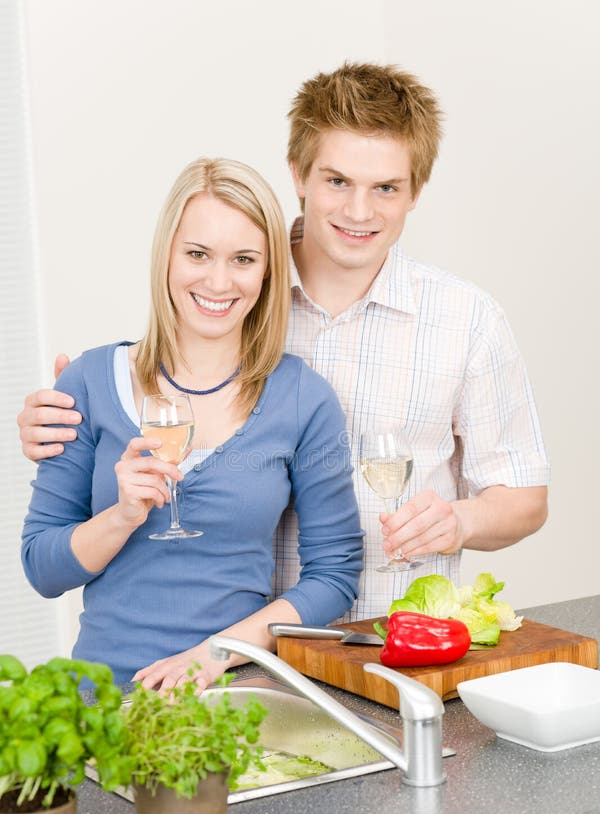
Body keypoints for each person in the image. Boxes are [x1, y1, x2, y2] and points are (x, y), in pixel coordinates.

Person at [18, 62, 549, 622]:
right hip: (241, 658)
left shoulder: (468, 321)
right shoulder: (235, 291)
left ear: (415, 192)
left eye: (386, 188)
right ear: (298, 174)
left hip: (395, 640)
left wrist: (460, 522)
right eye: (337, 180)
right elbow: (153, 390)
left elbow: (524, 500)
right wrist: (73, 416)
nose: (358, 211)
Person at [21, 157, 364, 689]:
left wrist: (215, 654)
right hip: (101, 703)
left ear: (268, 271)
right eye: (198, 254)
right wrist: (123, 516)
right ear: (167, 257)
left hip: (233, 699)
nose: (218, 281)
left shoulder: (303, 399)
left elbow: (333, 577)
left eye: (244, 259)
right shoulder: (87, 382)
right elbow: (43, 571)